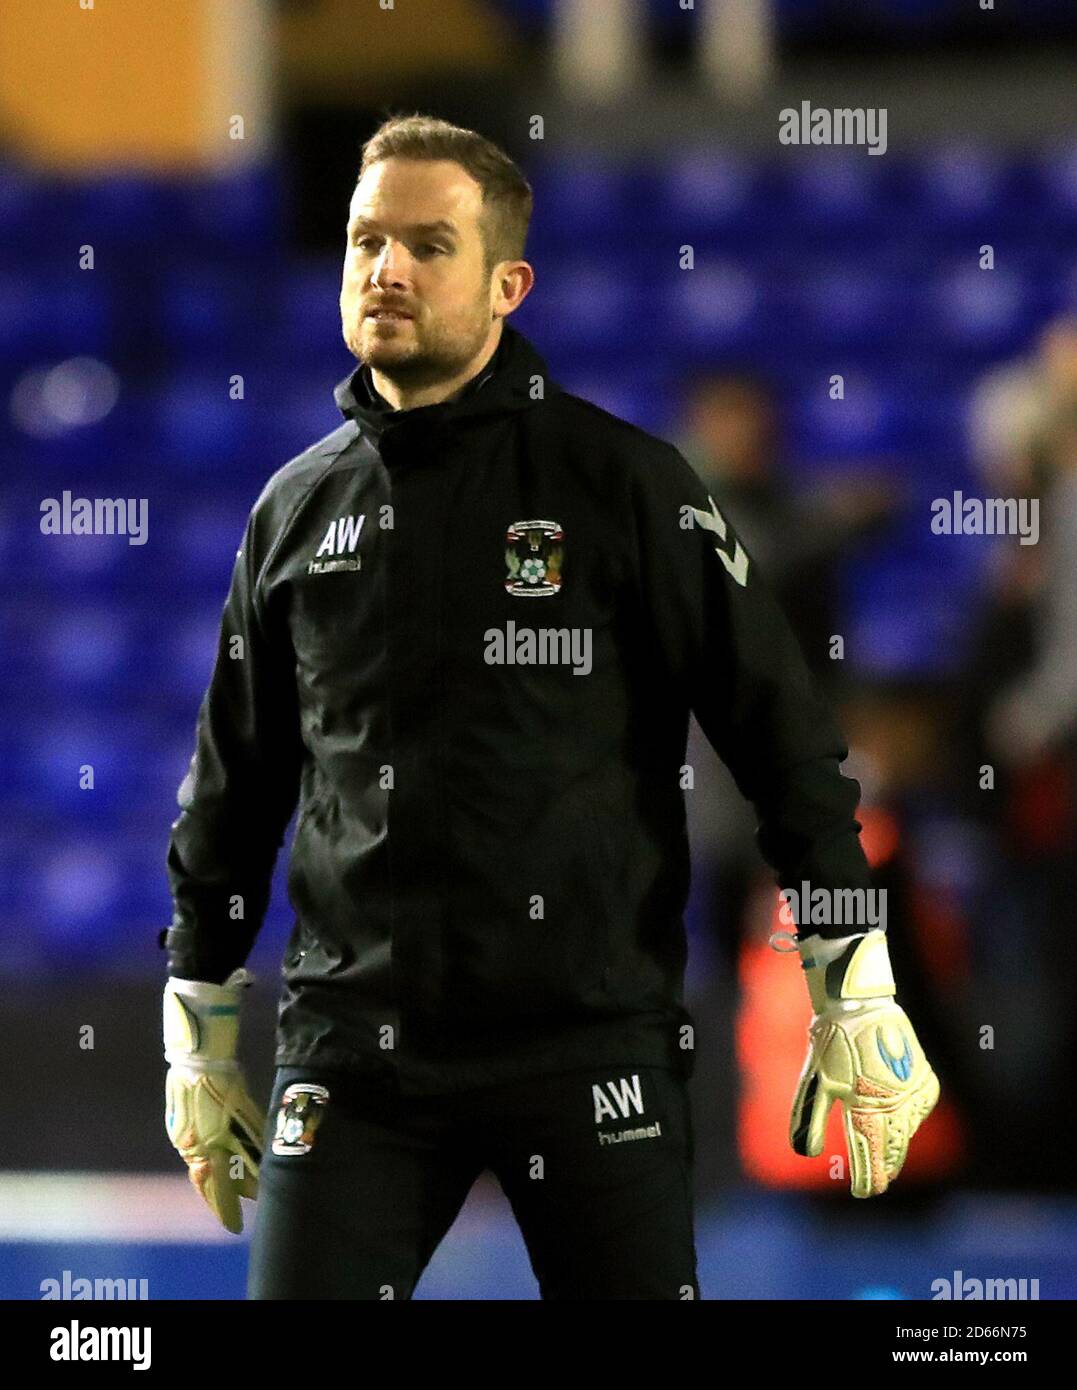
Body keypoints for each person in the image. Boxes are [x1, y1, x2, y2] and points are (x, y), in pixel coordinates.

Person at [159, 114, 938, 1301]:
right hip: (355, 1058)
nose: (388, 268)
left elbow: (785, 745)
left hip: (589, 1049)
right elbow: (236, 784)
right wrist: (199, 1016)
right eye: (368, 239)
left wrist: (853, 974)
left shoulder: (628, 488)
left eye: (429, 243)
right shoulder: (293, 514)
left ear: (507, 282)